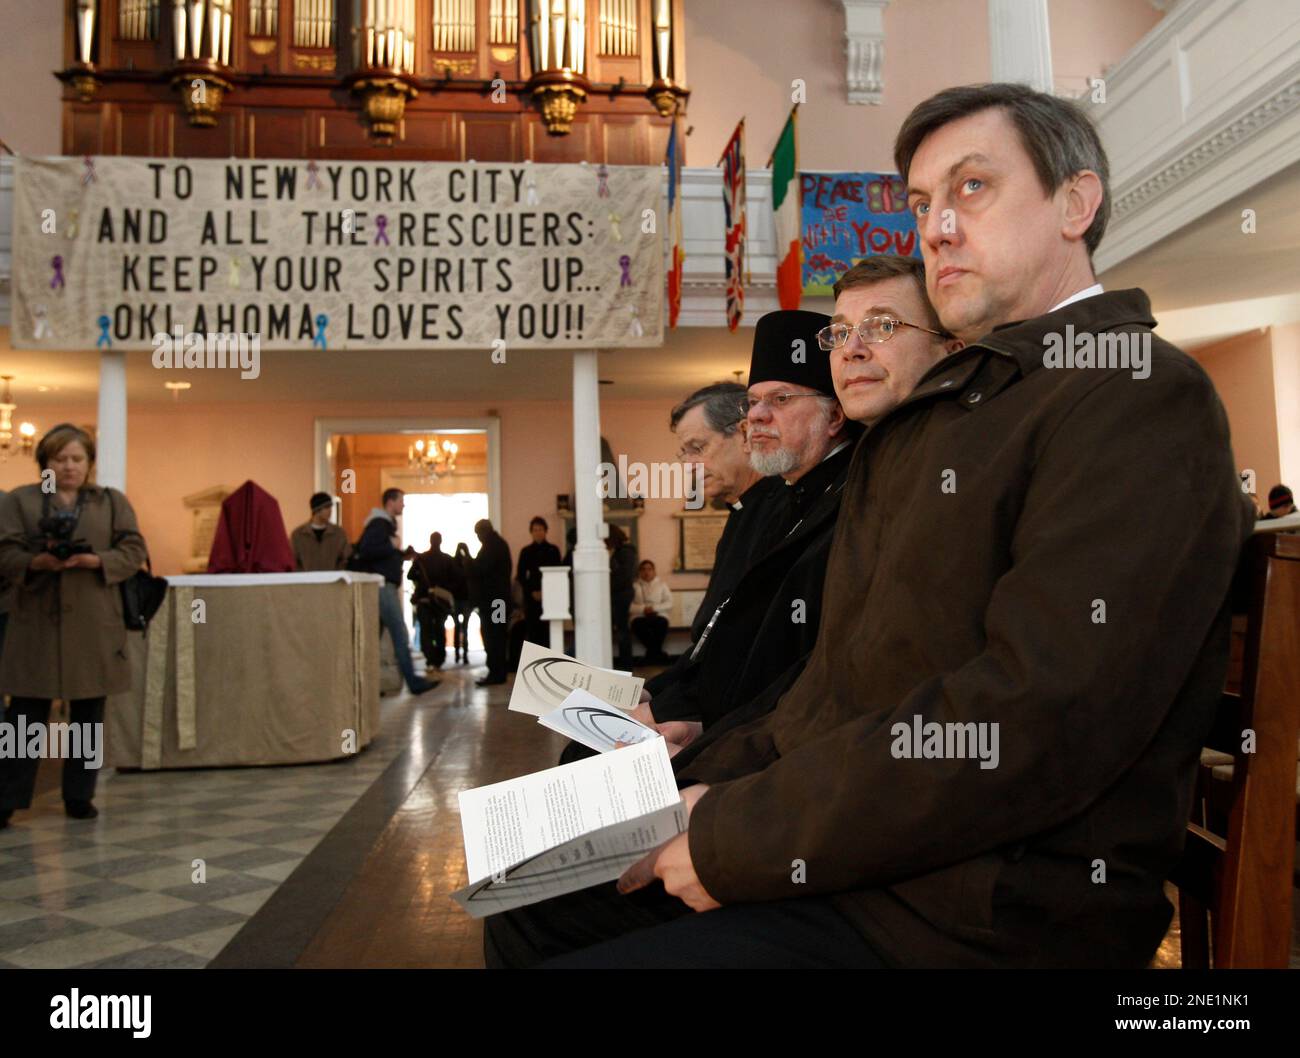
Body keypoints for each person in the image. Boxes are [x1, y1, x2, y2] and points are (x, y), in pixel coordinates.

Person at [486, 83, 1253, 969]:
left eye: (972, 187)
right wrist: (689, 785)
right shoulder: (956, 414)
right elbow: (833, 689)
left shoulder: (1135, 394)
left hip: (976, 907)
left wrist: (737, 833)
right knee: (525, 880)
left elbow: (1035, 719)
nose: (937, 228)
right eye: (924, 203)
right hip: (875, 851)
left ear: (1076, 203)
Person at [638, 308, 864, 732]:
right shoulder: (788, 498)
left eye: (780, 400)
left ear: (834, 417)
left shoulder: (856, 498)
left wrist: (702, 729)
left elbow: (803, 662)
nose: (756, 417)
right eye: (753, 402)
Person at [0, 424, 148, 828]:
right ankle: (7, 798)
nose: (68, 467)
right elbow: (5, 552)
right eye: (59, 459)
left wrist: (96, 560)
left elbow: (134, 549)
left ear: (89, 463)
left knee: (88, 714)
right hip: (36, 622)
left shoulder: (111, 502)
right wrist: (37, 561)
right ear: (44, 463)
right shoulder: (20, 501)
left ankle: (79, 796)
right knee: (25, 716)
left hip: (94, 622)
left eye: (76, 459)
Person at [353, 488, 437, 696]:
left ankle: (366, 686)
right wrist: (392, 546)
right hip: (383, 587)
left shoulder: (383, 524)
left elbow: (377, 551)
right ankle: (414, 682)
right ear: (390, 502)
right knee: (400, 634)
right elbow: (367, 551)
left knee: (373, 639)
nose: (403, 505)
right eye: (401, 501)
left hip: (381, 586)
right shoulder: (379, 523)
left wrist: (400, 554)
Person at [408, 531, 460, 669]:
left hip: (424, 600)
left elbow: (410, 575)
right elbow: (456, 580)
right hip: (440, 601)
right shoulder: (447, 559)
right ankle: (438, 658)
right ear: (440, 541)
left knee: (426, 630)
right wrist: (443, 588)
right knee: (439, 629)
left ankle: (431, 657)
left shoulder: (422, 559)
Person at [471, 519, 513, 686]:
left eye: (478, 534)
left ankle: (496, 672)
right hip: (498, 601)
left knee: (494, 635)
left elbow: (480, 569)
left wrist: (468, 562)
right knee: (497, 634)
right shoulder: (498, 544)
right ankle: (497, 671)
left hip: (495, 602)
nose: (478, 537)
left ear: (483, 532)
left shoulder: (492, 546)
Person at [516, 516, 562, 649]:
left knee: (548, 632)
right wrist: (532, 592)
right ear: (531, 532)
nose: (538, 532)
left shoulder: (553, 550)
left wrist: (545, 592)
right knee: (533, 633)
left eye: (540, 529)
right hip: (531, 598)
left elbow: (557, 574)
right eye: (535, 530)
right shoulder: (526, 552)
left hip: (550, 598)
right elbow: (521, 575)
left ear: (546, 531)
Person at [290, 491, 351, 571]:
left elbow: (346, 558)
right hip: (306, 582)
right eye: (327, 507)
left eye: (330, 507)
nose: (330, 510)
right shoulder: (298, 535)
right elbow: (292, 562)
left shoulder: (339, 534)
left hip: (333, 582)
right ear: (317, 510)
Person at [607, 525, 639, 668]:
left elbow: (623, 576)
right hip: (620, 594)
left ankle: (626, 666)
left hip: (620, 595)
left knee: (622, 632)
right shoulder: (624, 552)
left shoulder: (625, 552)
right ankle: (624, 665)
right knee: (621, 630)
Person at [630, 560, 672, 664]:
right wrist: (643, 609)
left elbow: (669, 603)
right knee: (638, 625)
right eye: (643, 569)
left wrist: (654, 608)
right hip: (640, 616)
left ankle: (650, 656)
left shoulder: (662, 585)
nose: (646, 572)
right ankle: (659, 655)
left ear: (654, 571)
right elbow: (629, 605)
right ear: (640, 571)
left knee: (662, 623)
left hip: (658, 615)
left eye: (649, 569)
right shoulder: (634, 586)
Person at [452, 542, 474, 664]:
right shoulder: (469, 562)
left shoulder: (454, 564)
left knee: (458, 628)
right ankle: (464, 654)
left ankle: (457, 655)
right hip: (466, 599)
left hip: (457, 599)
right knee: (465, 628)